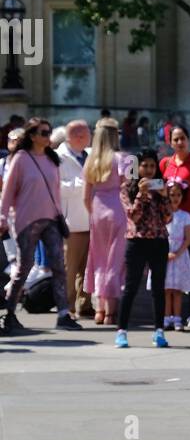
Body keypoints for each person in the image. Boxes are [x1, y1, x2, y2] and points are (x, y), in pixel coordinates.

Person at [0, 117, 80, 333]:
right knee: (23, 268)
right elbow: (8, 191)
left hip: (51, 219)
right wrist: (2, 217)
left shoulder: (51, 158)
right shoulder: (20, 158)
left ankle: (64, 314)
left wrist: (59, 215)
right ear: (32, 135)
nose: (48, 136)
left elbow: (55, 191)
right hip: (26, 220)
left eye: (49, 132)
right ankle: (10, 314)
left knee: (58, 267)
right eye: (43, 133)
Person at [116, 149, 172, 348]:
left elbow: (168, 217)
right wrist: (142, 194)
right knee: (131, 287)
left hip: (159, 241)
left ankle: (159, 331)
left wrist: (165, 196)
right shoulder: (127, 188)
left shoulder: (161, 187)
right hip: (137, 241)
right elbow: (133, 216)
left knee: (158, 288)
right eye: (144, 166)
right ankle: (121, 331)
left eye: (152, 166)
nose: (148, 170)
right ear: (137, 167)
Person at [159, 124, 190, 328]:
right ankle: (168, 314)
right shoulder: (164, 164)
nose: (180, 142)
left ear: (188, 140)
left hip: (187, 225)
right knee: (167, 271)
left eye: (183, 138)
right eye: (176, 139)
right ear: (170, 142)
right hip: (168, 226)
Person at [83, 118, 129, 325]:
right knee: (115, 262)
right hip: (119, 210)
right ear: (115, 135)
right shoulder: (126, 159)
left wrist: (93, 212)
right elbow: (132, 189)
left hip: (97, 210)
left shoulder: (91, 160)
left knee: (99, 260)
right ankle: (111, 313)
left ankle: (99, 310)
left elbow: (86, 196)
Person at [56, 119, 94, 320]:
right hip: (71, 223)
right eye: (87, 134)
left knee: (87, 269)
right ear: (76, 137)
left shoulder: (88, 155)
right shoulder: (57, 158)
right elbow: (57, 188)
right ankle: (66, 308)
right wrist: (83, 185)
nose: (90, 137)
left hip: (90, 220)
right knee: (69, 269)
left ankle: (84, 304)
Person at [160, 178, 190, 330]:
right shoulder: (163, 215)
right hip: (165, 254)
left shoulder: (185, 216)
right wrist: (165, 252)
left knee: (177, 290)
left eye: (178, 195)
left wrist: (178, 252)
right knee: (166, 289)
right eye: (172, 195)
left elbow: (188, 238)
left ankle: (177, 318)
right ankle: (166, 317)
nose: (175, 198)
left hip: (180, 256)